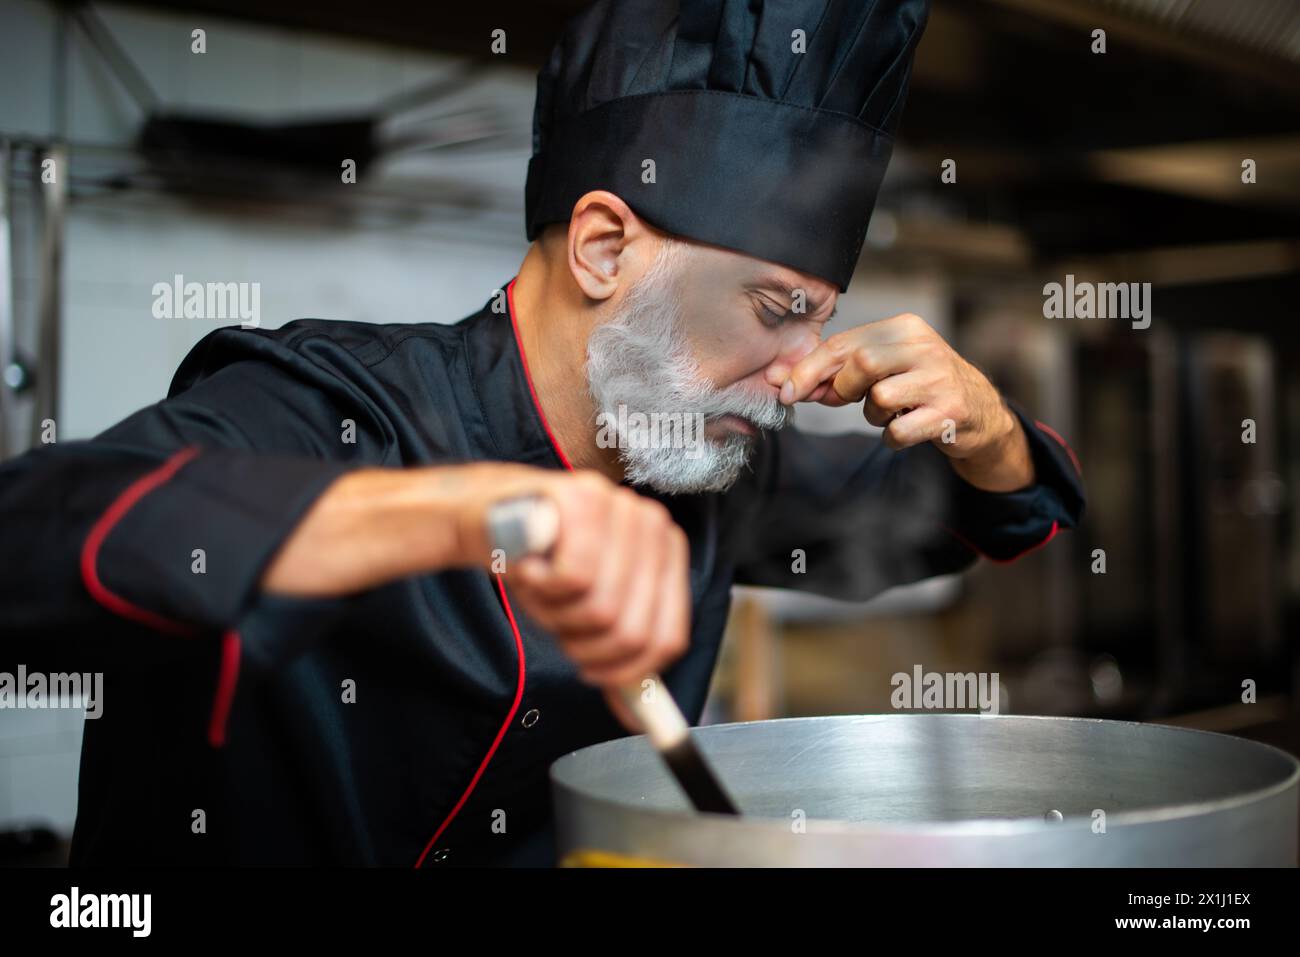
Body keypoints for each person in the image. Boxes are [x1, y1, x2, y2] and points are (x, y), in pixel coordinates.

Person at [0, 0, 1083, 866]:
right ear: (604, 248)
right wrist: (467, 514)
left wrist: (985, 430)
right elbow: (29, 536)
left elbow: (948, 517)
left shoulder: (705, 460)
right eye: (774, 310)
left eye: (817, 319)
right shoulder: (330, 404)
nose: (800, 371)